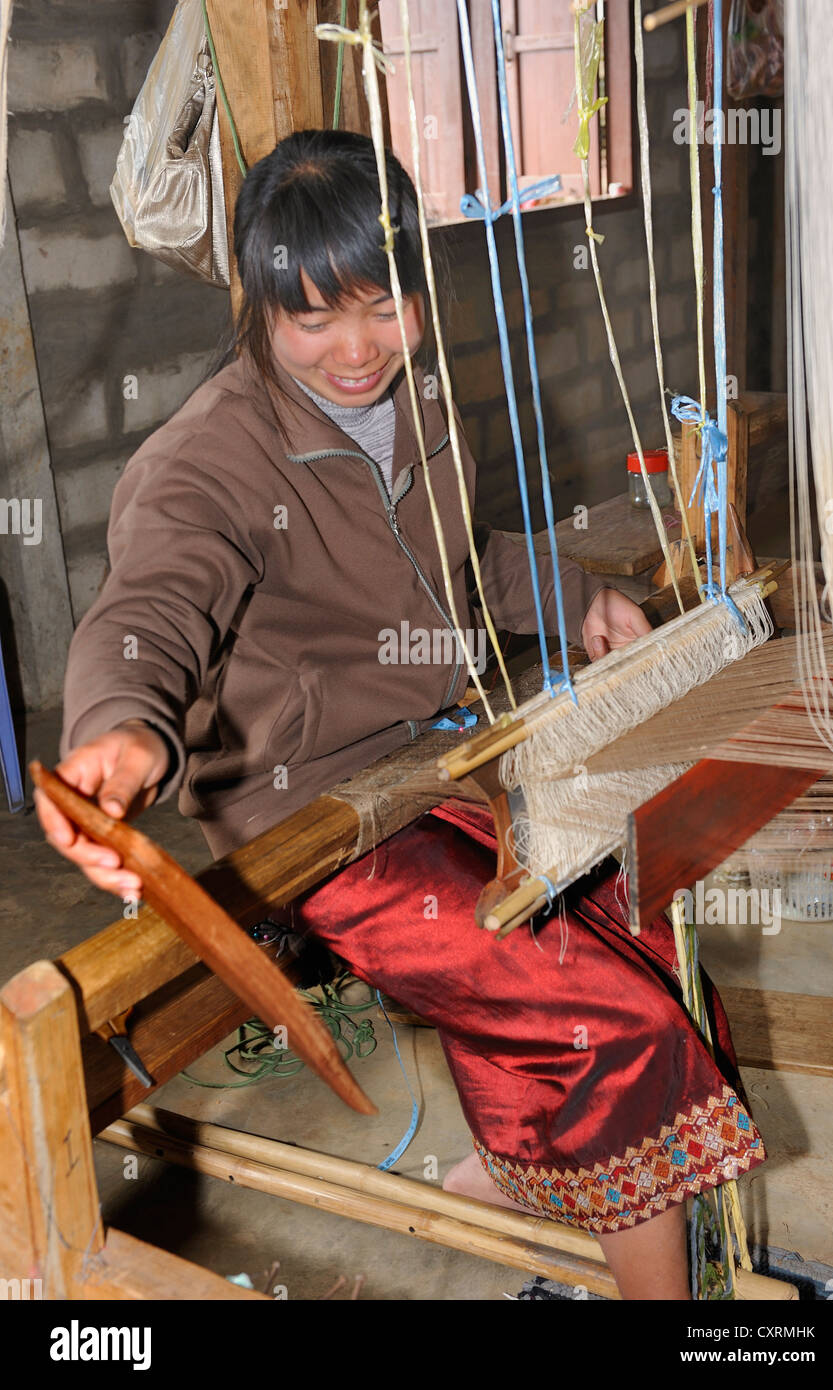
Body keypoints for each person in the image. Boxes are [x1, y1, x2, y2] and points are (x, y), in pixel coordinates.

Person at [36, 129, 764, 1300]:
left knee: (639, 922)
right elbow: (153, 602)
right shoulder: (208, 462)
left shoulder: (418, 399)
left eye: (380, 305)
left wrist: (575, 597)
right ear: (256, 304)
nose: (354, 350)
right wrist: (121, 724)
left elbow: (455, 563)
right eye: (311, 318)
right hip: (314, 813)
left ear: (416, 291)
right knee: (613, 1018)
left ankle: (517, 1160)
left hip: (440, 758)